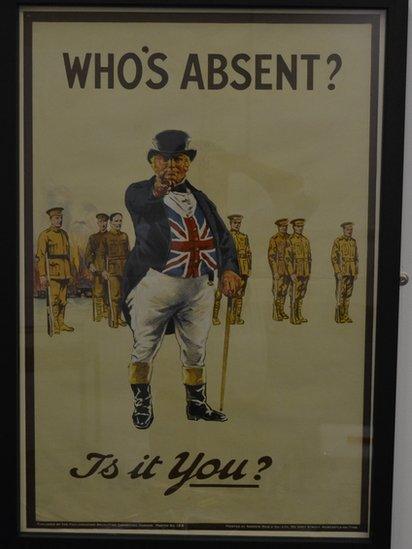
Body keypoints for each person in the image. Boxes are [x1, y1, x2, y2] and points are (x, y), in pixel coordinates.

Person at [123, 130, 241, 429]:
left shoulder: (201, 199)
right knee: (144, 345)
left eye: (179, 159)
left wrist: (229, 269)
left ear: (188, 163)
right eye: (164, 159)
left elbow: (223, 238)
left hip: (199, 286)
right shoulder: (139, 193)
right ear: (153, 162)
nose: (171, 166)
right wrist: (157, 190)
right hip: (156, 284)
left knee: (196, 347)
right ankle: (142, 403)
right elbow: (140, 205)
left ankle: (196, 404)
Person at [36, 207, 74, 334]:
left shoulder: (64, 234)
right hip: (53, 273)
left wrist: (70, 273)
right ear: (51, 219)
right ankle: (55, 325)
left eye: (61, 218)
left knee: (63, 300)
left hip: (65, 273)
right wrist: (42, 275)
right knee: (54, 300)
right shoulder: (45, 235)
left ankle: (61, 323)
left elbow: (68, 255)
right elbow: (41, 256)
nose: (60, 220)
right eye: (57, 218)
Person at [212, 214, 252, 325]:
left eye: (239, 223)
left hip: (241, 269)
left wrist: (248, 270)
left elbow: (249, 254)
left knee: (239, 293)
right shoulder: (225, 236)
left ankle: (235, 317)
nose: (237, 225)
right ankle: (215, 317)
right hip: (226, 268)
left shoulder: (244, 237)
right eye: (235, 223)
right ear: (230, 223)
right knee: (219, 294)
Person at [104, 212, 130, 328]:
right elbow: (101, 255)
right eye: (116, 221)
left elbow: (128, 253)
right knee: (114, 296)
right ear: (110, 222)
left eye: (120, 221)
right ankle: (113, 320)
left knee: (122, 296)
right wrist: (103, 270)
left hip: (124, 270)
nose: (119, 223)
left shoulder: (124, 236)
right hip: (112, 270)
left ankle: (119, 318)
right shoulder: (106, 237)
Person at [331, 222, 359, 323]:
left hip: (351, 272)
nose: (350, 231)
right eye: (348, 229)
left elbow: (356, 258)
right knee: (340, 294)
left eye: (351, 229)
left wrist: (356, 272)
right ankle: (339, 317)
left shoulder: (353, 242)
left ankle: (345, 316)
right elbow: (334, 258)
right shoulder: (338, 241)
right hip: (342, 272)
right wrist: (337, 271)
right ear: (343, 229)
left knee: (348, 295)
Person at [285, 218, 312, 324]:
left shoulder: (305, 240)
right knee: (294, 295)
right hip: (296, 272)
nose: (300, 228)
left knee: (301, 294)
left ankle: (299, 315)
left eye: (301, 226)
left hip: (305, 271)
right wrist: (291, 273)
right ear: (293, 227)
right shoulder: (290, 240)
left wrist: (309, 271)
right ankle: (293, 317)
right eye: (298, 226)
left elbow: (309, 257)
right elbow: (287, 258)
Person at [85, 213, 109, 322]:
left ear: (107, 223)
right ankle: (99, 313)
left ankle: (107, 312)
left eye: (105, 221)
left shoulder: (111, 236)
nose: (103, 224)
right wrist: (90, 264)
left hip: (109, 268)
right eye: (101, 221)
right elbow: (88, 254)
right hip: (98, 269)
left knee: (109, 291)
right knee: (98, 292)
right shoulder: (93, 238)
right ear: (97, 223)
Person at [268, 218, 291, 321]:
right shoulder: (274, 239)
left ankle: (281, 311)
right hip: (279, 269)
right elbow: (271, 257)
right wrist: (275, 271)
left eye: (285, 226)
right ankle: (276, 312)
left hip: (288, 269)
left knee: (284, 290)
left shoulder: (290, 238)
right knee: (277, 291)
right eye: (282, 226)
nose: (284, 228)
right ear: (278, 227)